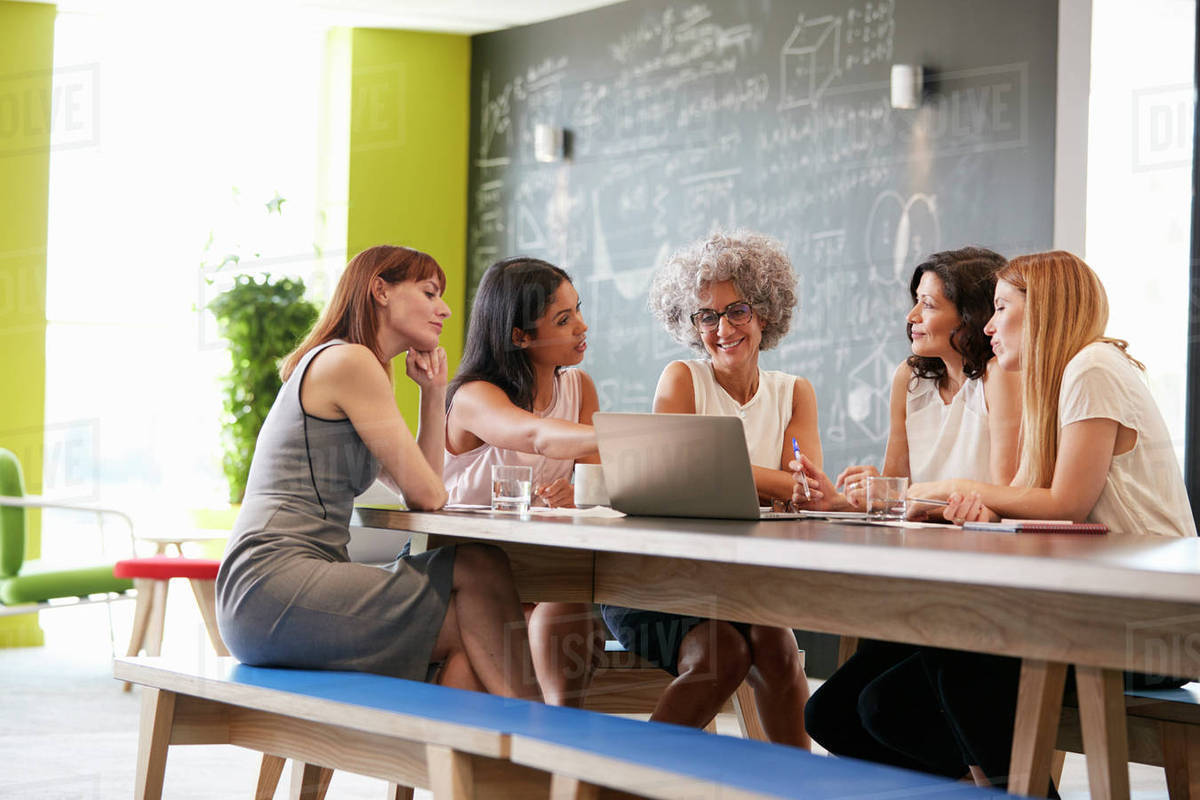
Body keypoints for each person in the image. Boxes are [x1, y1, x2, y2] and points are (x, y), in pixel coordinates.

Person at [859, 251, 1195, 789]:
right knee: (887, 701)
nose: (988, 325)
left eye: (1001, 307)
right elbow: (1025, 497)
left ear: (1045, 310)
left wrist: (958, 489)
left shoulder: (1093, 367)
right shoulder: (1058, 379)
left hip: (1151, 627)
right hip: (1097, 611)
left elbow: (1065, 503)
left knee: (958, 673)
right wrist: (979, 506)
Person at [216, 245, 541, 701]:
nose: (444, 309)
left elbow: (427, 489)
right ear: (380, 290)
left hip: (270, 592)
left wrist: (433, 392)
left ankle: (476, 761)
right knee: (480, 568)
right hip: (272, 585)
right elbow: (429, 496)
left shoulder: (352, 365)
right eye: (430, 293)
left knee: (476, 632)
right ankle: (535, 735)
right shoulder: (350, 363)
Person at [797, 247, 1022, 778]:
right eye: (914, 303)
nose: (911, 317)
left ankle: (987, 782)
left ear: (967, 315)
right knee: (827, 715)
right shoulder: (910, 378)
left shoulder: (1000, 377)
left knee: (882, 708)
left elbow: (1006, 489)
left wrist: (928, 502)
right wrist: (844, 497)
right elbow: (898, 488)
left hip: (985, 589)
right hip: (922, 582)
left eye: (928, 305)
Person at [601, 230, 813, 748]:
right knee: (727, 653)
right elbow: (675, 479)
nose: (722, 329)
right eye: (706, 316)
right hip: (655, 582)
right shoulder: (681, 379)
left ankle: (795, 788)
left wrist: (728, 468)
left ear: (764, 313)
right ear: (692, 325)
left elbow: (804, 492)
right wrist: (771, 483)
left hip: (740, 583)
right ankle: (626, 784)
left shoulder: (793, 392)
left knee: (777, 648)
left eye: (737, 310)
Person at [444, 256, 604, 706]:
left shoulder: (578, 388)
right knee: (531, 621)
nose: (582, 326)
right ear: (520, 336)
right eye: (563, 318)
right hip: (467, 580)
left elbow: (596, 483)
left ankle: (556, 741)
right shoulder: (475, 397)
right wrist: (634, 439)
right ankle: (540, 743)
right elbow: (536, 434)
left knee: (566, 603)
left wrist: (579, 494)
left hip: (538, 571)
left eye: (578, 310)